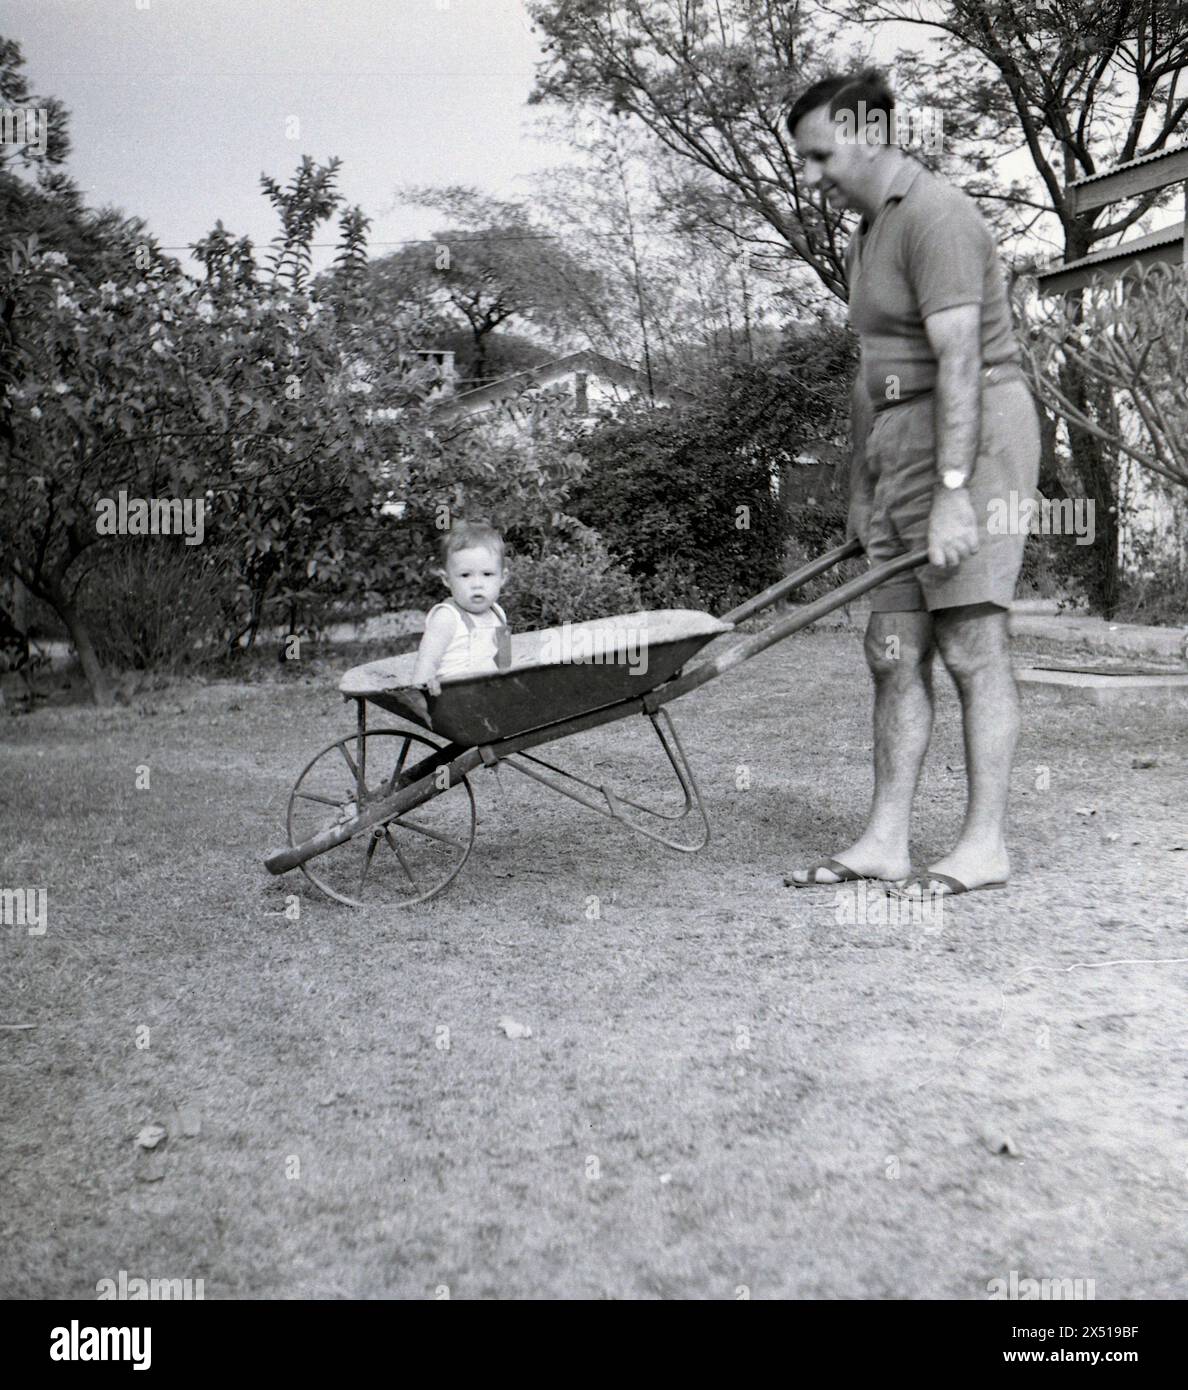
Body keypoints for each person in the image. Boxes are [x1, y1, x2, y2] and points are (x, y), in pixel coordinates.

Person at [784, 69, 1041, 899]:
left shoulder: (939, 215)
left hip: (973, 437)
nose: (811, 176)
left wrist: (957, 491)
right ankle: (886, 840)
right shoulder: (866, 232)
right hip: (900, 445)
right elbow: (872, 373)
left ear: (869, 135)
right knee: (892, 650)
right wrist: (862, 486)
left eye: (821, 155)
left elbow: (961, 360)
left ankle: (983, 846)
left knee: (970, 642)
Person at [411, 520, 512, 694]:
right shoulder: (447, 617)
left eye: (487, 574)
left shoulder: (498, 613)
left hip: (489, 695)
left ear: (502, 578)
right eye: (465, 575)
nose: (477, 584)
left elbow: (504, 661)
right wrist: (424, 688)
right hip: (453, 698)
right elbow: (427, 661)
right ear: (446, 579)